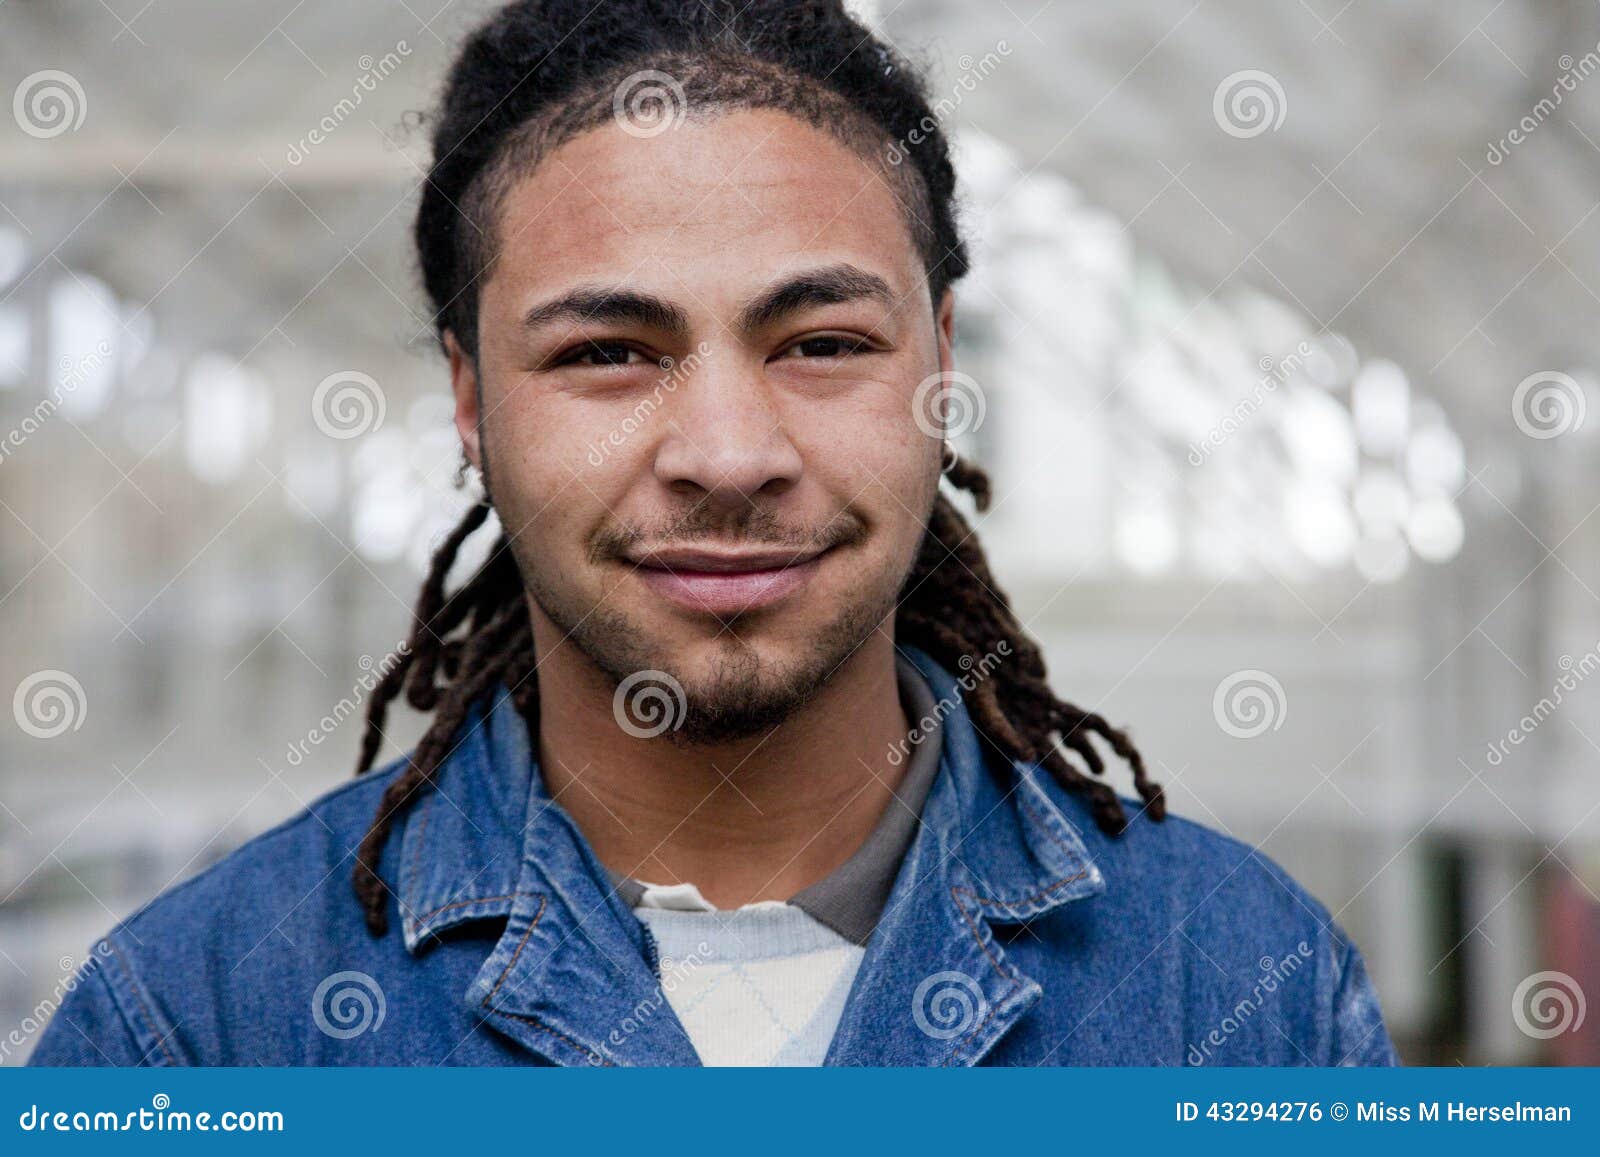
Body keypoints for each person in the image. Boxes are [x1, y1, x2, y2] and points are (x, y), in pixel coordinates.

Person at [31, 0, 1397, 1067]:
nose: (730, 456)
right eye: (612, 353)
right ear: (469, 399)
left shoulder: (1241, 992)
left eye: (821, 342)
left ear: (941, 365)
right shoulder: (198, 1025)